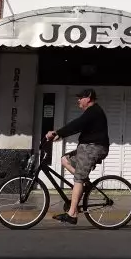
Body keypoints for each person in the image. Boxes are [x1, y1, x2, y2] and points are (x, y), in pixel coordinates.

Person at [44, 88, 110, 225]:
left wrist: (57, 132)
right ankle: (83, 181)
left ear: (89, 98)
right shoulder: (90, 113)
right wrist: (59, 135)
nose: (78, 100)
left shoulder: (94, 111)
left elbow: (76, 125)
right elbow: (77, 126)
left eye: (81, 97)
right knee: (64, 159)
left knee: (78, 179)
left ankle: (72, 213)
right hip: (86, 147)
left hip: (94, 148)